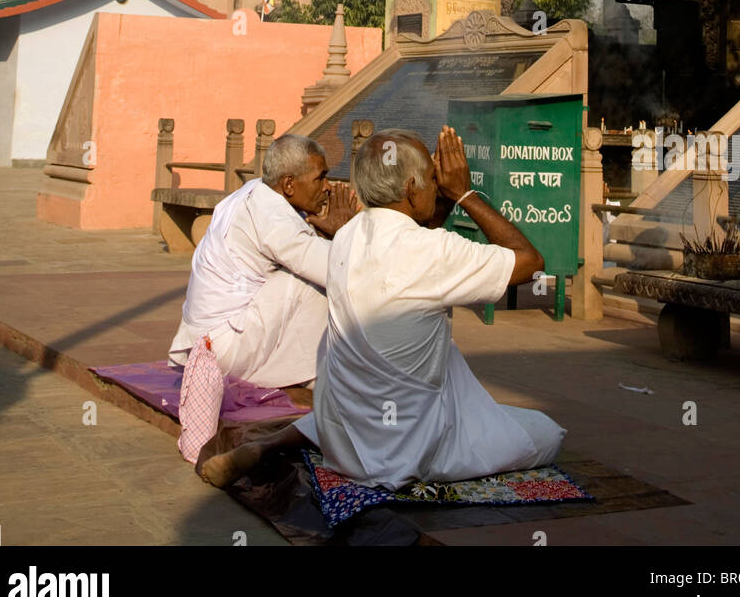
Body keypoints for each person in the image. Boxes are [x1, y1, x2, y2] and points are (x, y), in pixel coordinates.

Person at [200, 125, 565, 489]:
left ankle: (268, 445)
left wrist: (443, 198)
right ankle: (446, 441)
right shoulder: (433, 252)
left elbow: (418, 232)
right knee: (546, 433)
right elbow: (530, 261)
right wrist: (466, 193)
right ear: (410, 189)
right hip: (404, 449)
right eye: (430, 180)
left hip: (343, 439)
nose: (437, 187)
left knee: (369, 385)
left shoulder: (345, 237)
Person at [168, 134, 356, 390]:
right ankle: (311, 376)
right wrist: (344, 231)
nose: (327, 187)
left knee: (312, 271)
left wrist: (325, 235)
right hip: (221, 351)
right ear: (289, 184)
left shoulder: (255, 192)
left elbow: (301, 250)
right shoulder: (271, 214)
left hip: (205, 342)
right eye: (320, 177)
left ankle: (302, 371)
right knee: (321, 282)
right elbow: (334, 268)